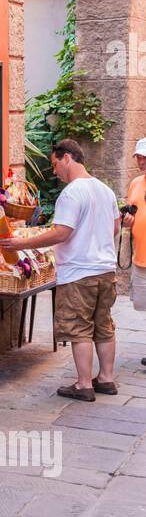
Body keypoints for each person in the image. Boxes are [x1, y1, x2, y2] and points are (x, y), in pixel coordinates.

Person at [0, 138, 120, 401]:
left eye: (54, 164)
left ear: (67, 158)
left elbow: (61, 233)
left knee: (79, 329)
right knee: (104, 325)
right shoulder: (104, 190)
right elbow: (115, 227)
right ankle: (107, 379)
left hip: (78, 272)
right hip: (105, 270)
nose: (54, 171)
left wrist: (20, 242)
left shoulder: (72, 193)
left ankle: (84, 384)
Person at [121, 138, 146, 366]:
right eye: (138, 156)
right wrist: (127, 221)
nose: (141, 161)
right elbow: (133, 216)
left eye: (144, 157)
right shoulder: (136, 183)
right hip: (141, 256)